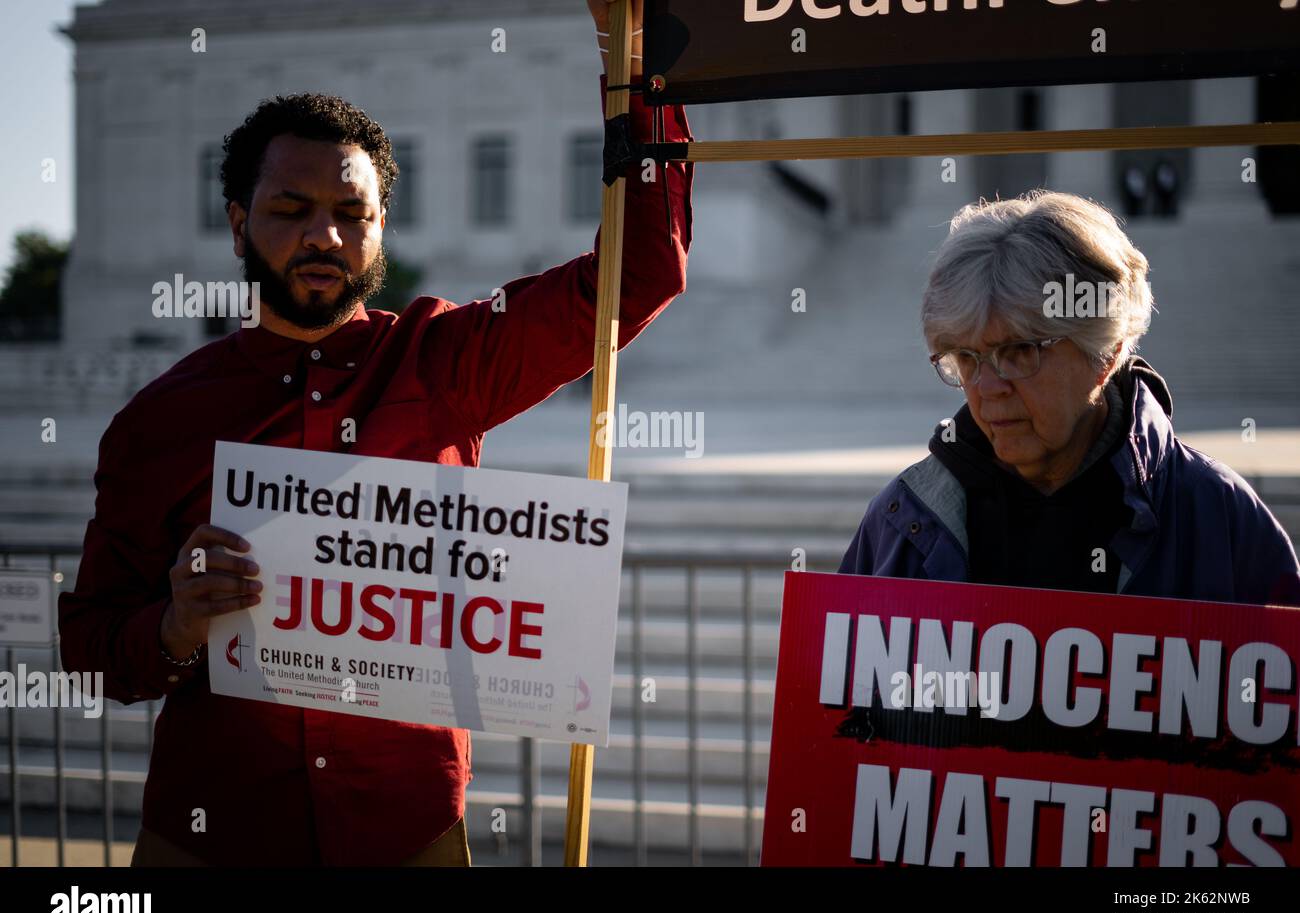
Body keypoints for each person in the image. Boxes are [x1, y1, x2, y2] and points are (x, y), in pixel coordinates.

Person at [58, 0, 691, 866]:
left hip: (407, 830)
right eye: (290, 209)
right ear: (239, 224)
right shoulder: (159, 421)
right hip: (213, 830)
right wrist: (172, 626)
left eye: (352, 214)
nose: (324, 236)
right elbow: (91, 650)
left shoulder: (447, 362)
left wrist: (635, 61)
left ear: (380, 230)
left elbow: (641, 271)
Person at [840, 191, 1300, 607]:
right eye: (965, 357)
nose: (986, 388)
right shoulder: (901, 521)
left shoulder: (1220, 519)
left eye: (1018, 351)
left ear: (1106, 352)